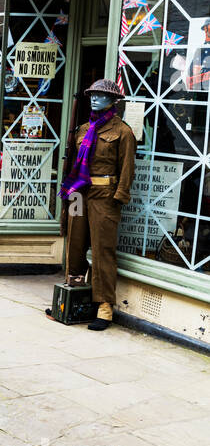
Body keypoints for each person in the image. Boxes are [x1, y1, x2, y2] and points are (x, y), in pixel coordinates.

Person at [57, 78, 136, 331]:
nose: (95, 98)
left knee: (103, 250)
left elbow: (127, 168)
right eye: (92, 94)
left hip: (104, 195)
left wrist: (119, 197)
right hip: (79, 194)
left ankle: (104, 307)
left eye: (101, 95)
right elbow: (71, 164)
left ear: (113, 101)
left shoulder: (122, 131)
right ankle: (72, 298)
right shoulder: (81, 129)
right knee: (75, 244)